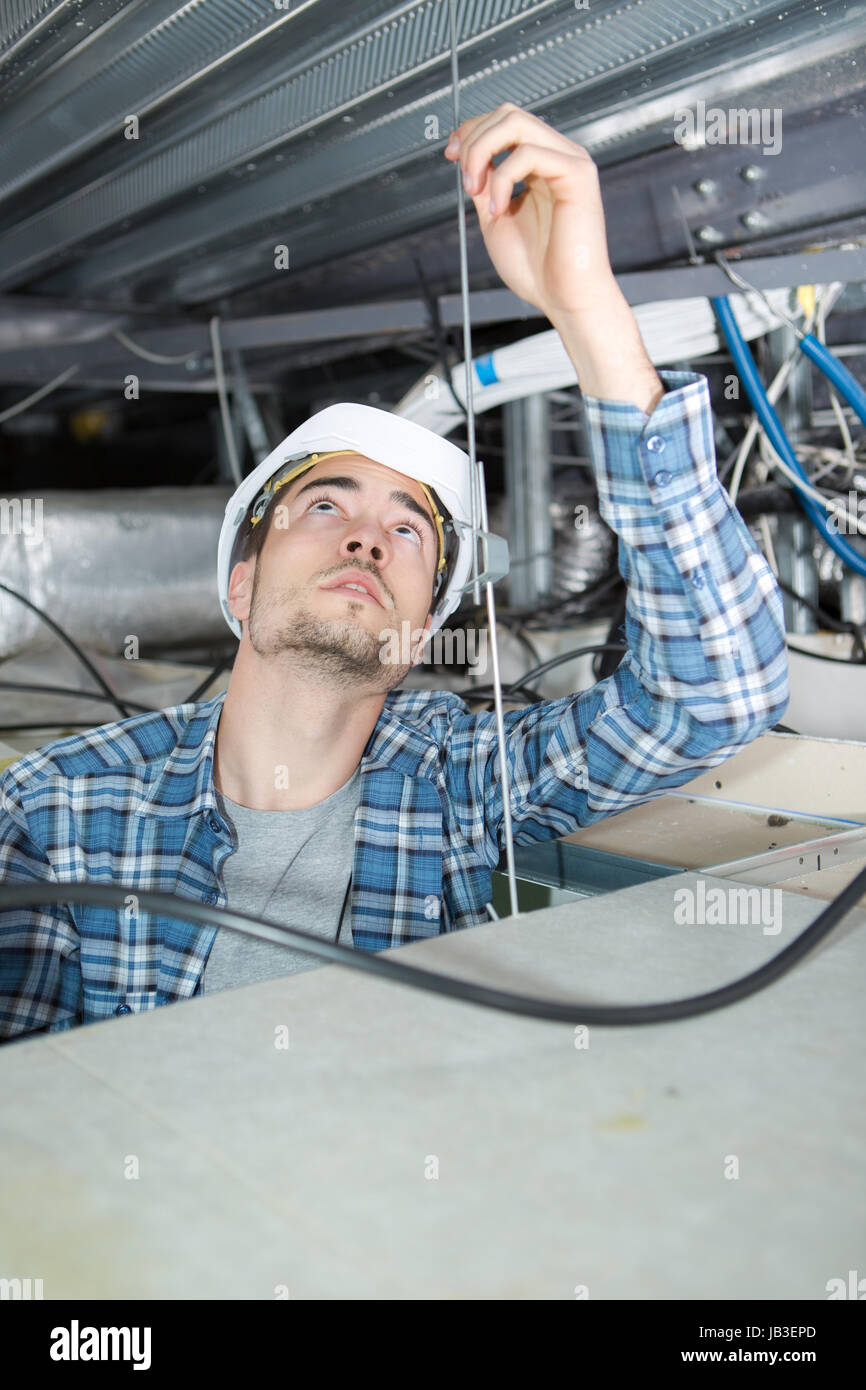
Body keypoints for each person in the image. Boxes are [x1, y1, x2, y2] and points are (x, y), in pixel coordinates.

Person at [0, 104, 788, 1042]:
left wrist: (585, 307)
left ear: (420, 634)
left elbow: (714, 695)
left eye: (410, 531)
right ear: (241, 584)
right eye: (327, 506)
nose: (369, 539)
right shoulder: (56, 808)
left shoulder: (457, 783)